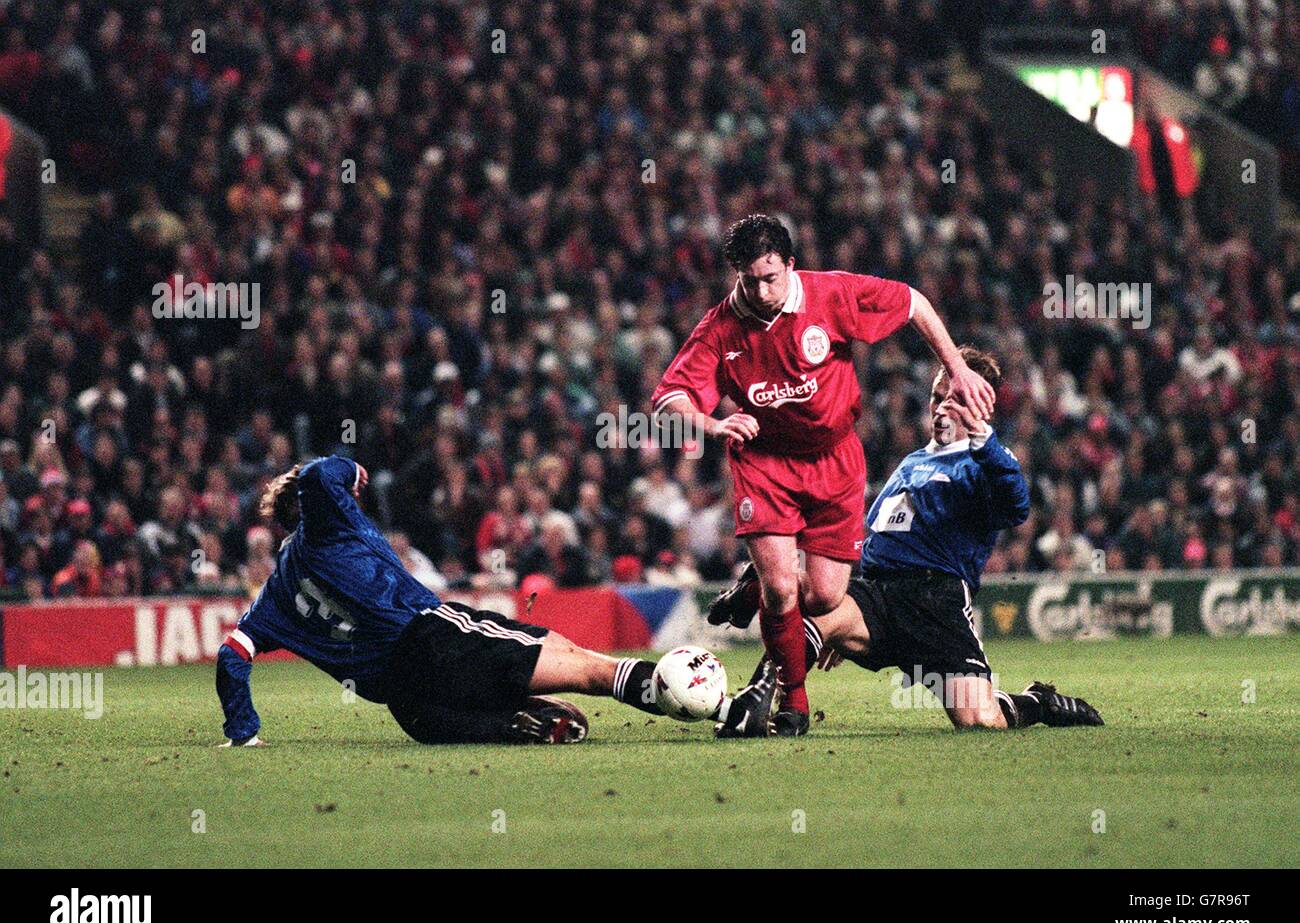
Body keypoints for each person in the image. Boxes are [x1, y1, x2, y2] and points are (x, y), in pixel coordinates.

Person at [654, 214, 994, 735]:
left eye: (771, 277)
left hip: (834, 460)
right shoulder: (721, 327)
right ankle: (794, 703)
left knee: (825, 595)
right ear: (736, 275)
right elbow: (670, 397)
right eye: (750, 280)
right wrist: (711, 423)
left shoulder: (831, 294)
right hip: (764, 462)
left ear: (791, 266)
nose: (762, 290)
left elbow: (913, 304)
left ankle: (750, 594)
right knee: (783, 592)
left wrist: (957, 367)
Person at [215, 455, 777, 746]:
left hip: (412, 709)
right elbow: (323, 473)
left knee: (537, 695)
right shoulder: (326, 517)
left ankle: (507, 722)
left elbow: (232, 656)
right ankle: (727, 710)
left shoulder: (273, 599)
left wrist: (245, 733)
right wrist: (355, 475)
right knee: (585, 668)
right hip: (432, 638)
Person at [722, 347, 1102, 731]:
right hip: (877, 594)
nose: (940, 409)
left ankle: (1037, 702)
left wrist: (983, 439)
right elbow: (877, 538)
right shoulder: (912, 461)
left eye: (955, 402)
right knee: (817, 615)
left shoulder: (985, 460)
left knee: (980, 721)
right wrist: (843, 605)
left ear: (980, 408)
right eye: (938, 398)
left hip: (935, 603)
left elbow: (1016, 505)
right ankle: (761, 700)